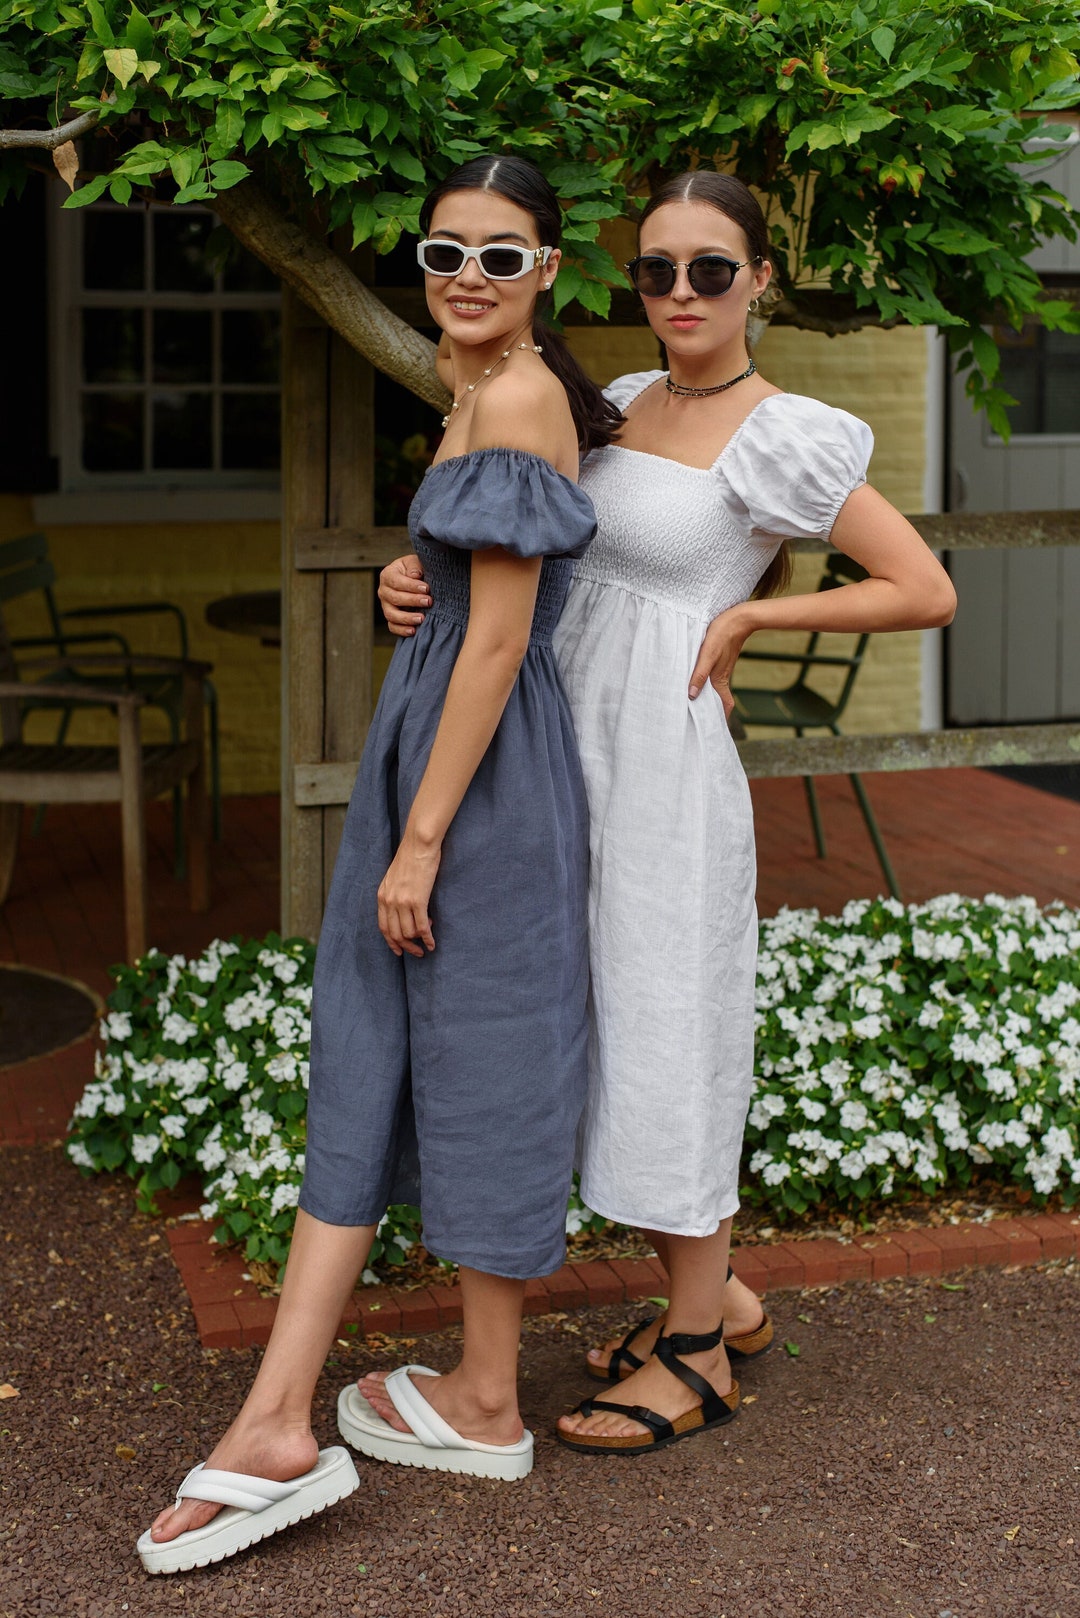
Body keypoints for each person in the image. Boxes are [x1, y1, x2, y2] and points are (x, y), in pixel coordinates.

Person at [376, 169, 957, 1457]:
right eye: (656, 271)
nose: (680, 293)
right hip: (552, 740)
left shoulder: (780, 431)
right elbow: (517, 520)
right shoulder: (622, 405)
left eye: (709, 269)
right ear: (628, 284)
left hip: (663, 766)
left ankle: (697, 1346)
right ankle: (723, 1296)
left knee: (660, 1024)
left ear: (758, 279)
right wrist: (413, 567)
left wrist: (754, 613)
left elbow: (922, 589)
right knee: (581, 1021)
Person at [137, 154, 620, 1575]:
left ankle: (304, 1413)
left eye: (501, 253)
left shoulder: (518, 393)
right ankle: (462, 1397)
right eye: (445, 250)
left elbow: (496, 641)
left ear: (548, 271)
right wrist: (419, 573)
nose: (467, 274)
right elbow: (471, 594)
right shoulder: (478, 391)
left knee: (438, 1047)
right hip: (445, 763)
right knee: (419, 1048)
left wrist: (419, 838)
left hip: (473, 789)